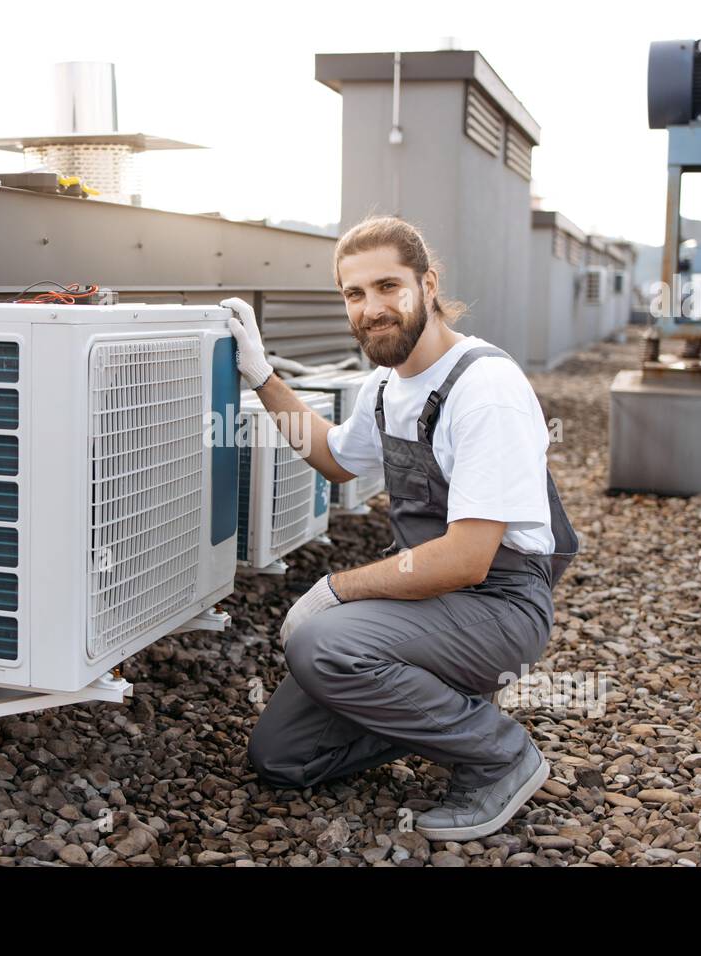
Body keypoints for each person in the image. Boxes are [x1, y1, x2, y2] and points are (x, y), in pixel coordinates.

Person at [220, 214, 577, 841]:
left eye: (388, 286)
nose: (371, 308)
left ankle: (500, 755)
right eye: (354, 294)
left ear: (428, 284)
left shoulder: (482, 387)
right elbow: (333, 457)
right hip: (428, 605)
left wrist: (336, 589)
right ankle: (437, 702)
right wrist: (262, 377)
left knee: (323, 645)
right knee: (284, 759)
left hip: (496, 605)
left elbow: (467, 559)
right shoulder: (386, 387)